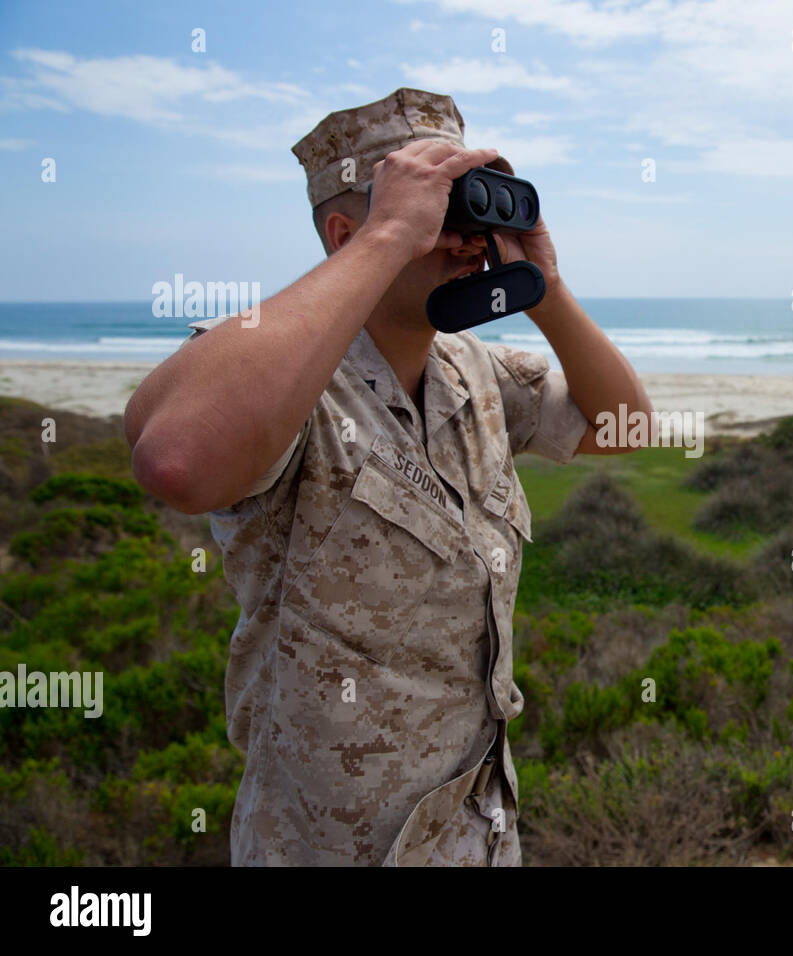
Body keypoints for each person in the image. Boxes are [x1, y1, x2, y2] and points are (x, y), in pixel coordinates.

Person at [124, 88, 653, 866]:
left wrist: (547, 287)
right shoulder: (288, 385)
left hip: (479, 835)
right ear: (348, 233)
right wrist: (388, 239)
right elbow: (179, 461)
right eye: (439, 211)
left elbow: (625, 427)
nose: (469, 240)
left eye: (472, 209)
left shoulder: (473, 371)